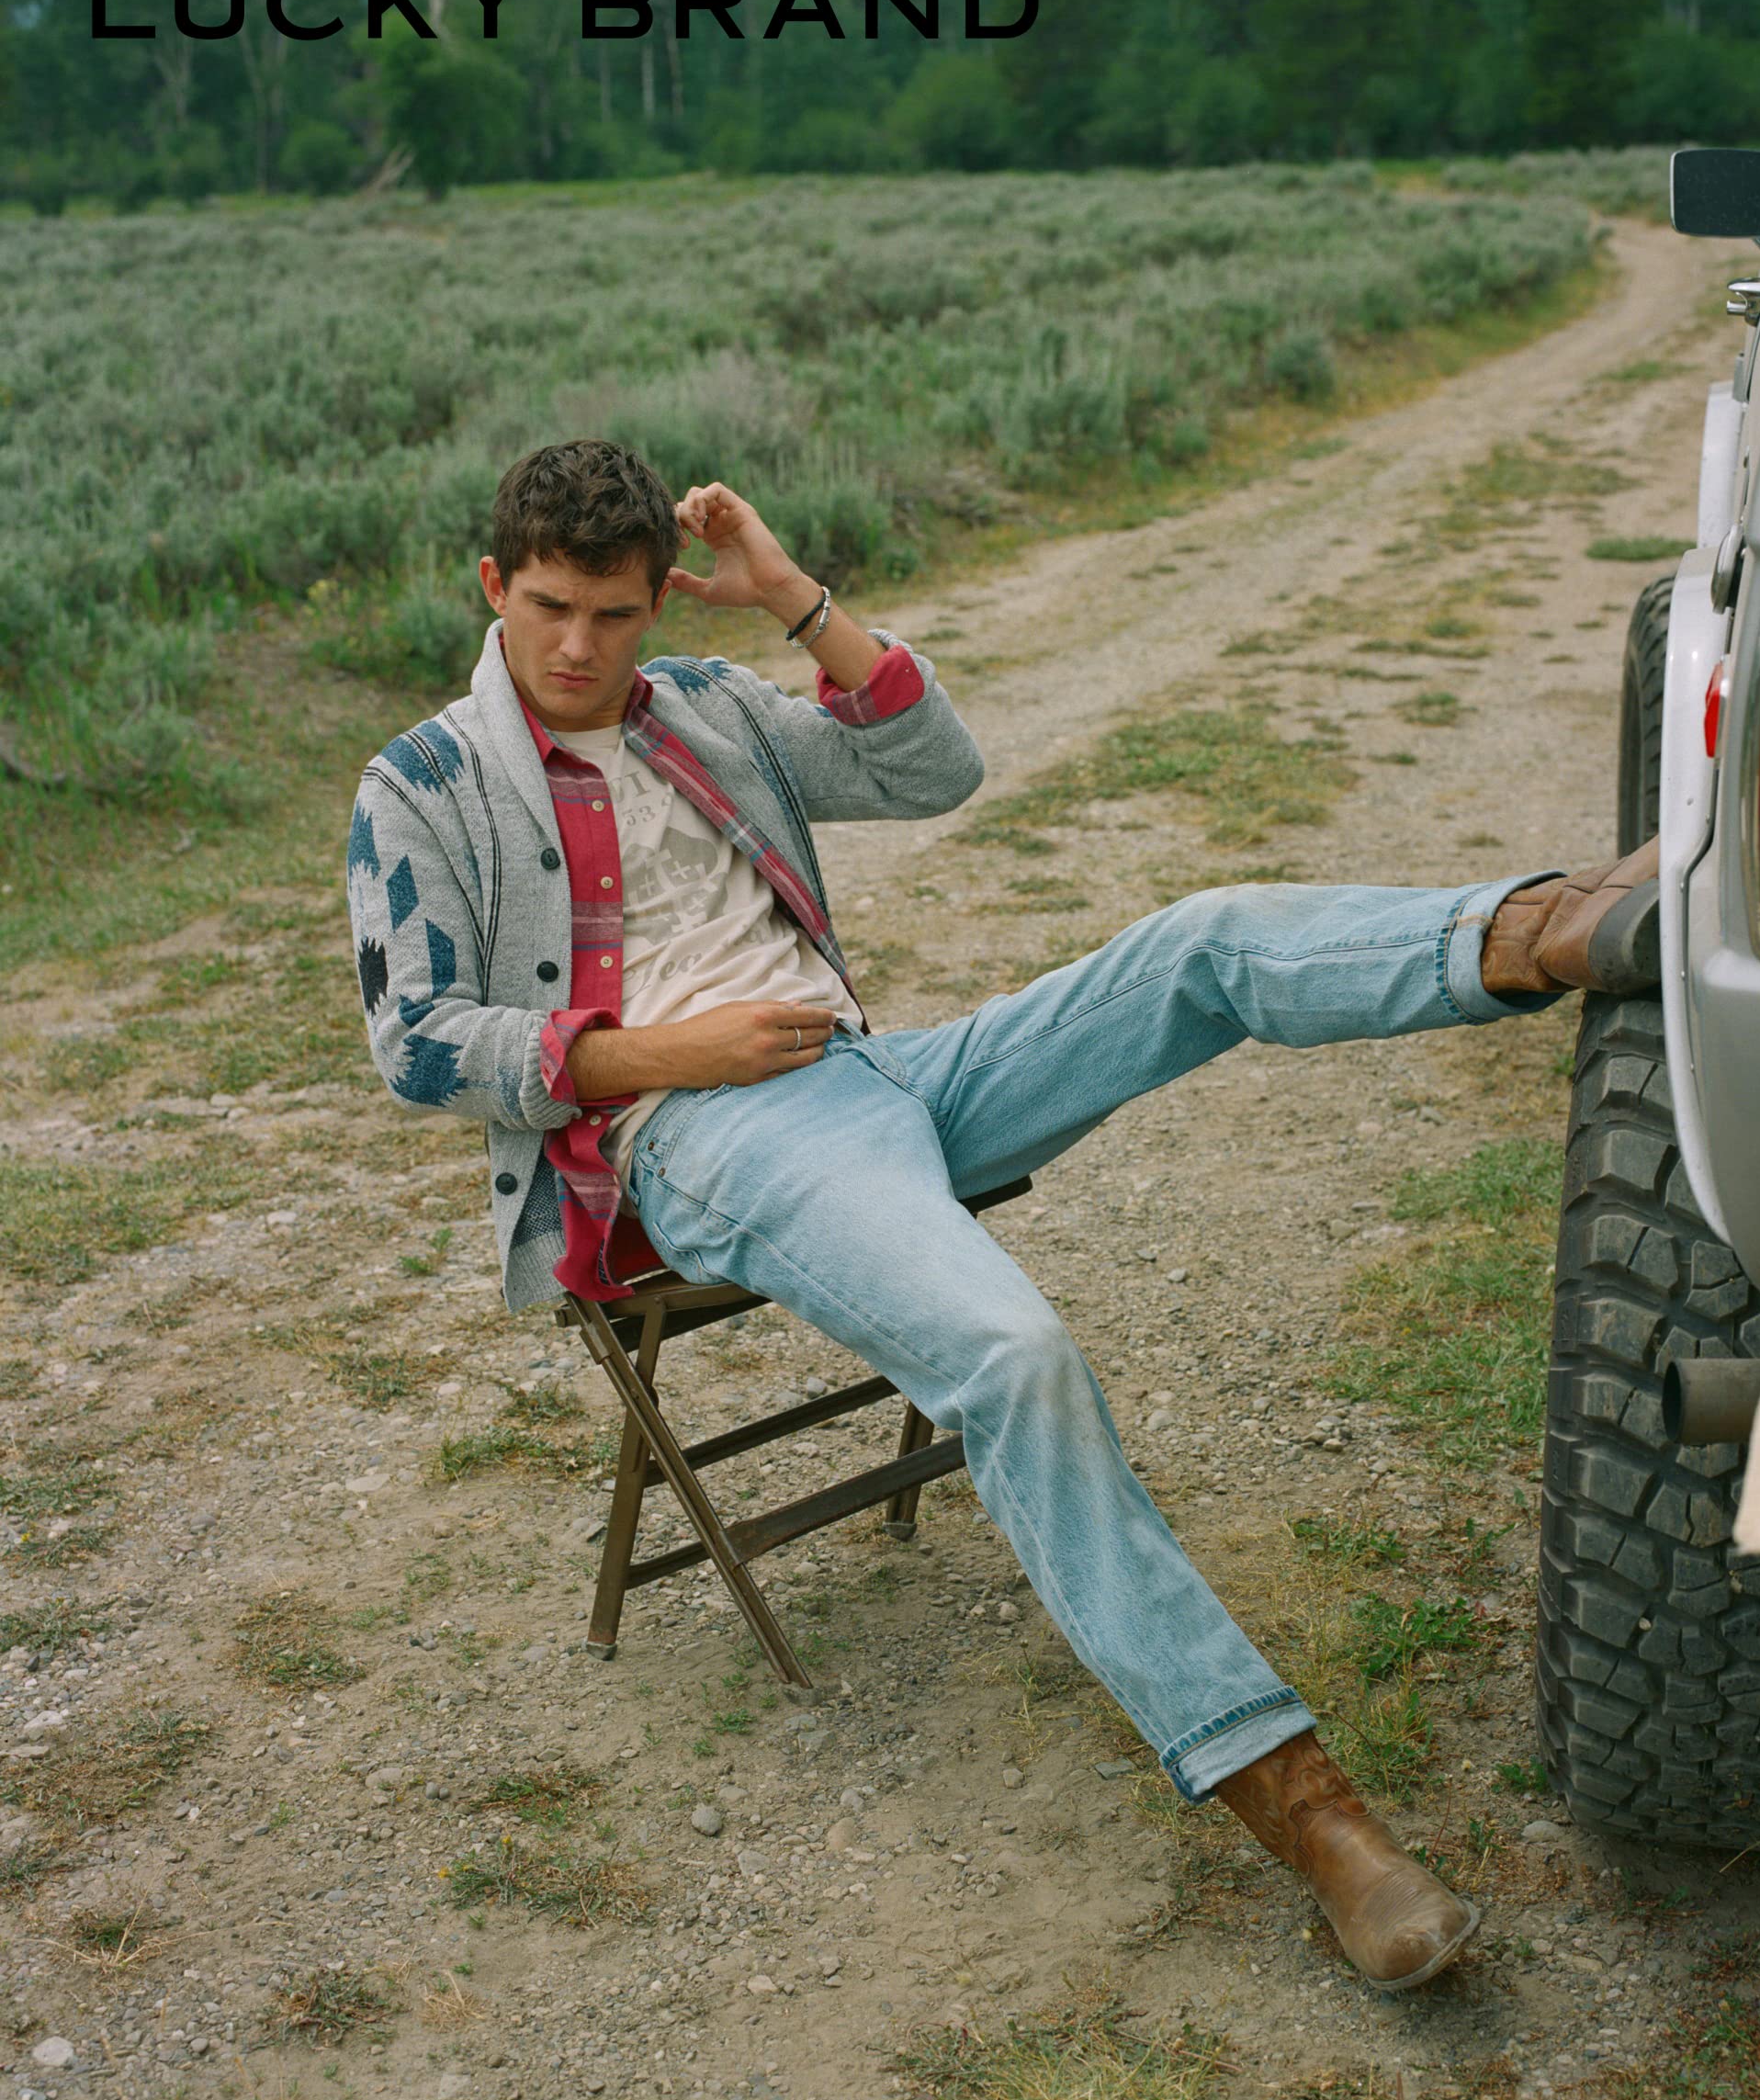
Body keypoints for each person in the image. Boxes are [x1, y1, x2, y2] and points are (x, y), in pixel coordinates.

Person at [346, 439, 1658, 1992]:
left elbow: (931, 768)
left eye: (616, 615)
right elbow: (420, 1045)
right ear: (496, 587)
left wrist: (794, 600)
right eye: (552, 609)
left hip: (873, 1074)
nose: (580, 647)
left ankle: (1543, 928)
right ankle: (1311, 1813)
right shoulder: (421, 784)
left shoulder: (696, 705)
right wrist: (662, 1055)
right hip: (696, 1132)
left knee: (1201, 942)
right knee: (1013, 1354)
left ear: (653, 606)